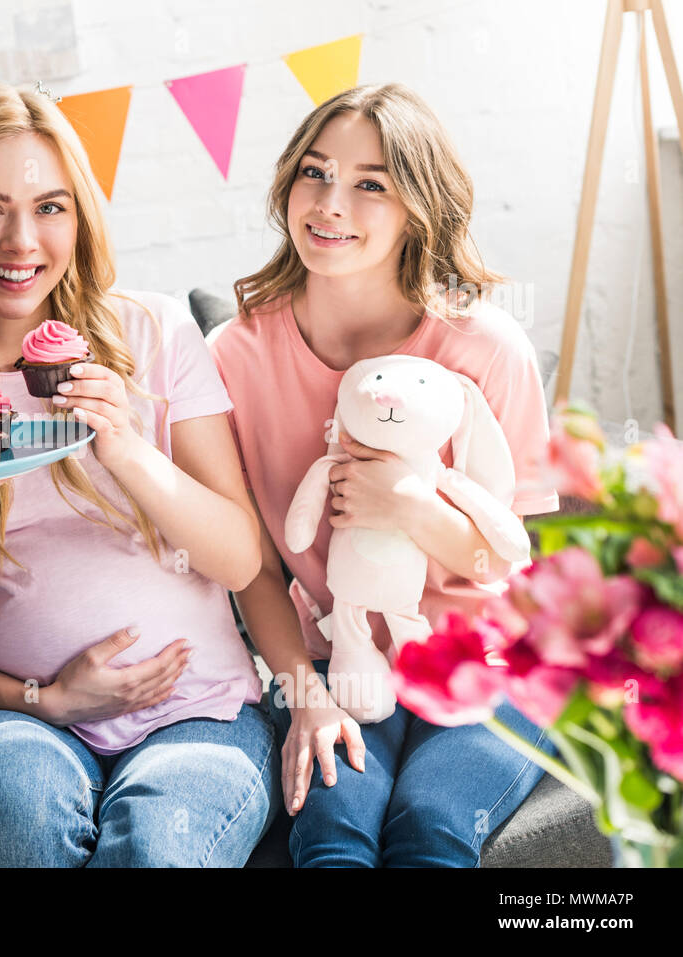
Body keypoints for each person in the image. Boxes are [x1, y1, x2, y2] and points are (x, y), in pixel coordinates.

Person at [0, 83, 279, 867]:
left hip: (199, 712)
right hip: (21, 719)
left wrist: (124, 447)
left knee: (156, 847)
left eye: (50, 206)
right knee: (24, 816)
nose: (22, 240)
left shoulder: (153, 333)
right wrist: (42, 699)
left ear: (79, 217)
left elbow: (239, 557)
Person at [207, 83, 559, 867]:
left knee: (431, 827)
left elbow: (512, 561)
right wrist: (304, 692)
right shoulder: (234, 354)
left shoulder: (488, 349)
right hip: (336, 656)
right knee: (333, 834)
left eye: (372, 184)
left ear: (419, 209)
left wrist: (407, 504)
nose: (330, 203)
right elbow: (253, 565)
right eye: (314, 172)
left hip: (487, 662)